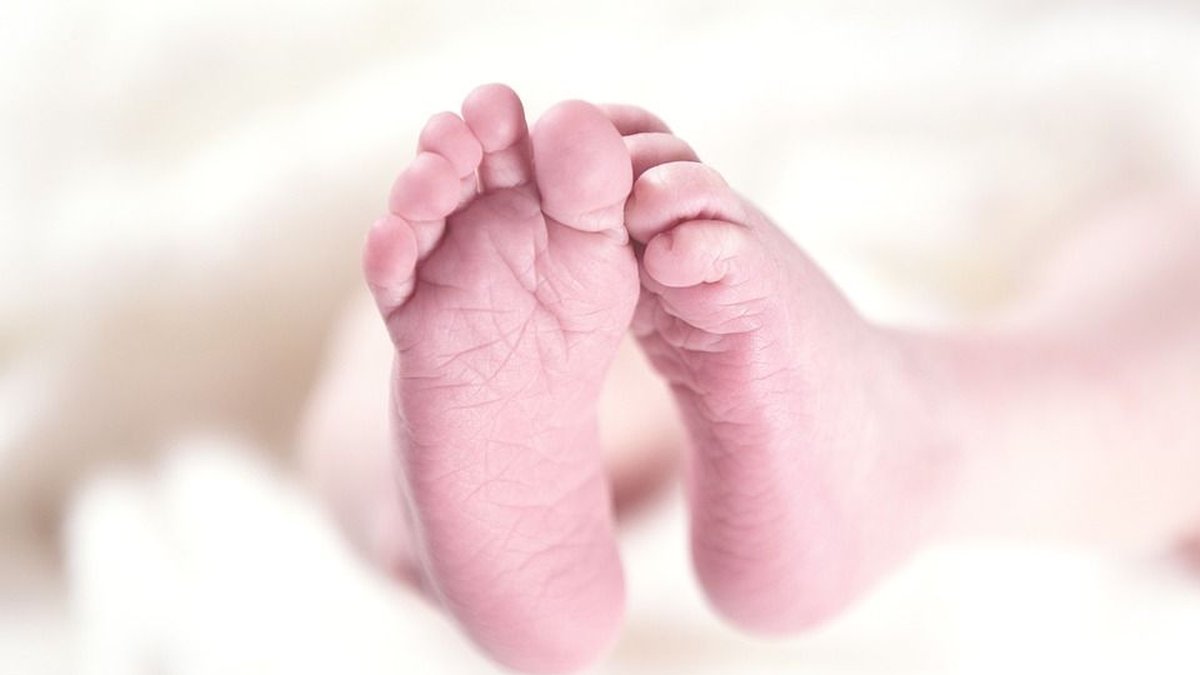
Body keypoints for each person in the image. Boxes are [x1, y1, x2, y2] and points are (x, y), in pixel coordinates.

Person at [299, 84, 1200, 674]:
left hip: (987, 393)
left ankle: (408, 504)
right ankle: (432, 501)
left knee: (392, 341)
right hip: (961, 374)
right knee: (460, 304)